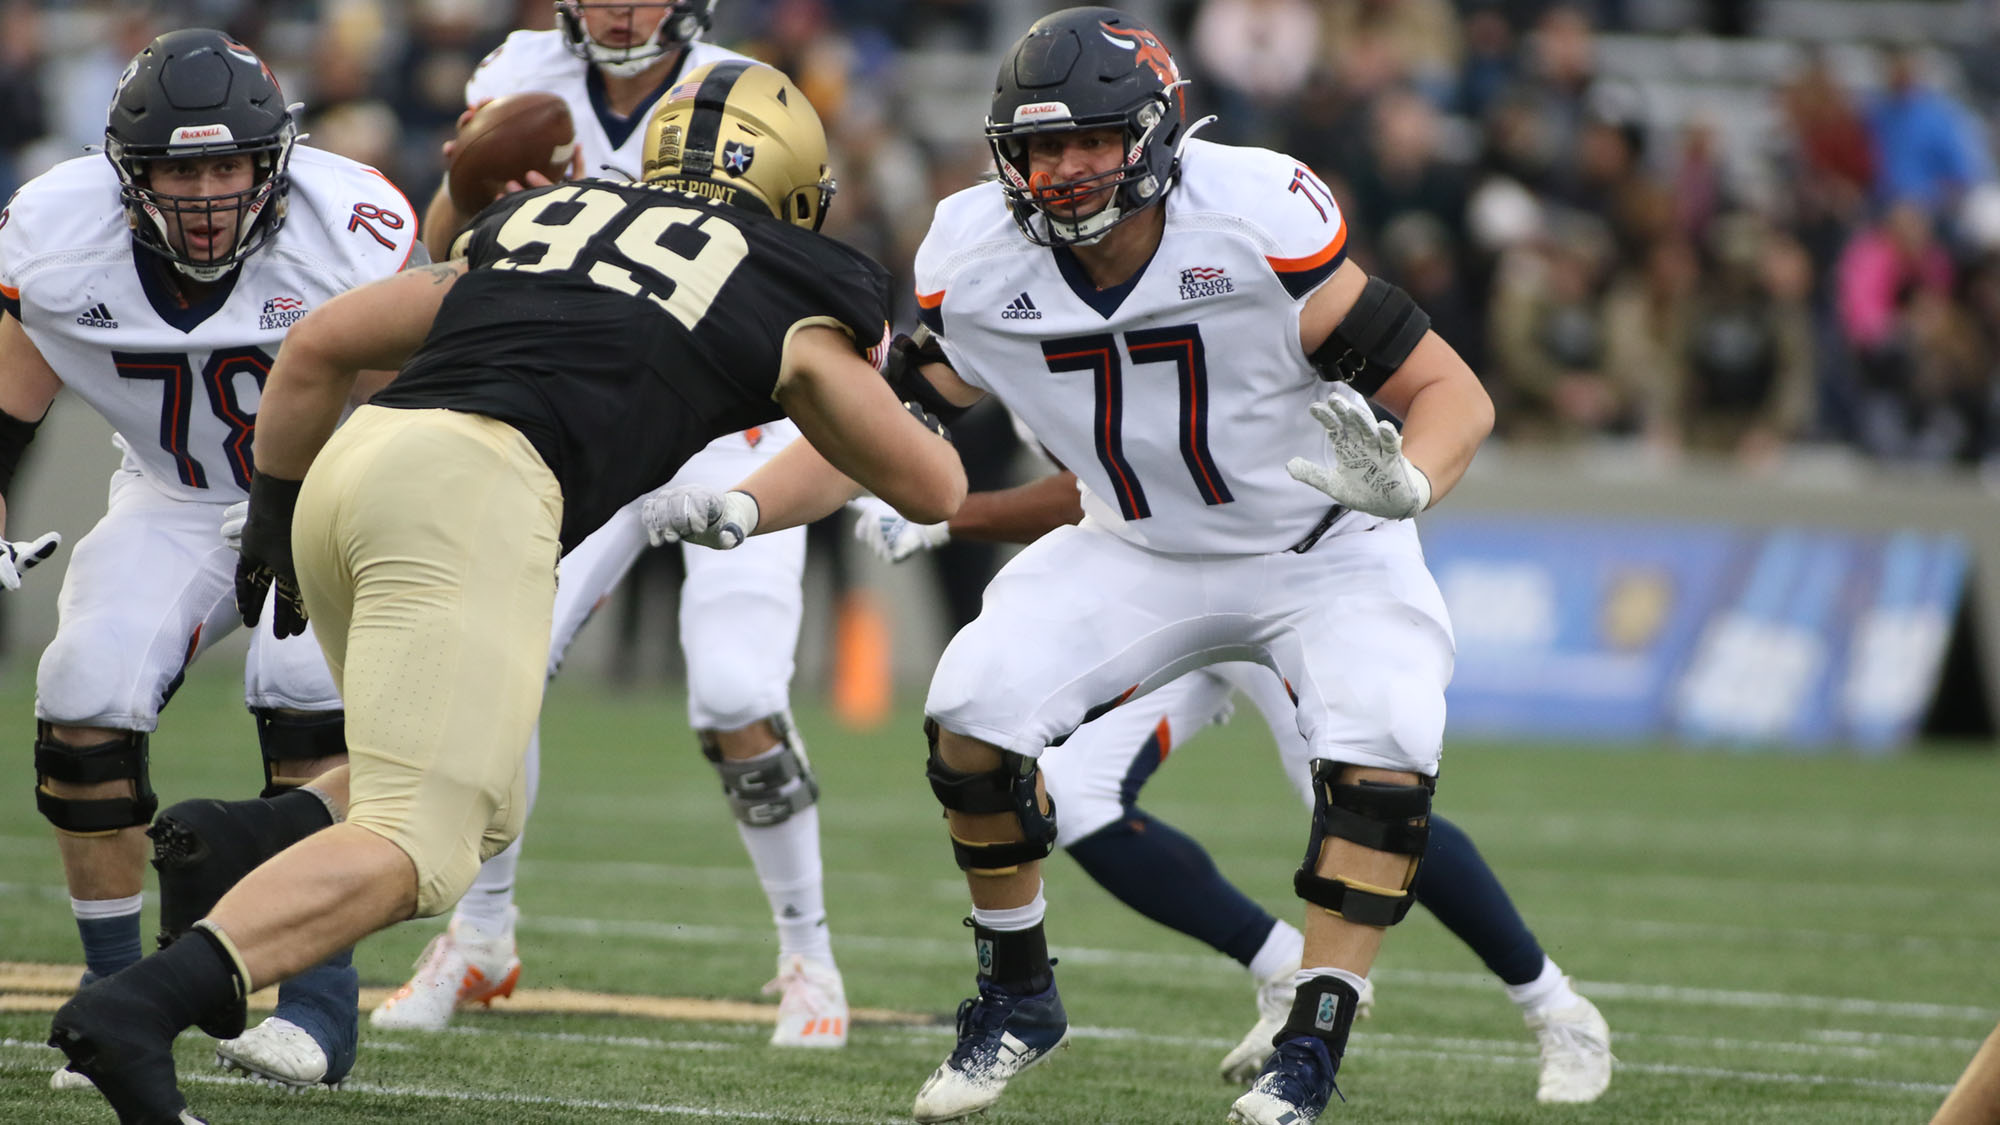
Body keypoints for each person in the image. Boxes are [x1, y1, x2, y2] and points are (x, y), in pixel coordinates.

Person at [44, 60, 964, 1125]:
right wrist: (903, 402)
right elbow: (927, 484)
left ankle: (249, 836)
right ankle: (134, 1012)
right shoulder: (793, 278)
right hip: (476, 499)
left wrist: (273, 519)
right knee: (420, 844)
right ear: (801, 192)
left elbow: (322, 344)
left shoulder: (555, 215)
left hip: (353, 468)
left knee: (483, 801)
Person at [651, 9, 1493, 1122]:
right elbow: (882, 425)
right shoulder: (975, 258)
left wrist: (1412, 483)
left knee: (1386, 742)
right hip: (1133, 545)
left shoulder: (1251, 219)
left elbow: (1452, 394)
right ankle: (1017, 999)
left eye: (1091, 141)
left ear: (1153, 133)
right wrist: (748, 502)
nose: (1065, 170)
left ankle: (1312, 1045)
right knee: (968, 709)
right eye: (1041, 148)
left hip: (1321, 547)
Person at [375, 0, 853, 1045]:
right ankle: (480, 932)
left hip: (727, 414)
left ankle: (807, 953)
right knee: (503, 666)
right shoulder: (519, 71)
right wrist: (469, 191)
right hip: (581, 407)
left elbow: (801, 245)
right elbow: (442, 248)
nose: (620, 11)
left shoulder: (740, 85)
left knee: (736, 689)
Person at [856, 477, 1614, 1105]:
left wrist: (955, 512)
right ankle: (1282, 964)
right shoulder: (1013, 316)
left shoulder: (1150, 302)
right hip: (1164, 584)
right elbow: (1107, 494)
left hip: (1281, 570)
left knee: (1368, 791)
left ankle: (1556, 1008)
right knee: (1076, 794)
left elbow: (1107, 480)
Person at [0, 28, 421, 1092]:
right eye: (178, 170)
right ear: (127, 175)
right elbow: (6, 408)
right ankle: (111, 1004)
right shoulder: (55, 235)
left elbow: (410, 393)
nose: (203, 194)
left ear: (271, 163)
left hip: (328, 490)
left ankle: (317, 1013)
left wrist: (335, 507)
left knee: (301, 691)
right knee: (82, 688)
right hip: (171, 494)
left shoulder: (348, 228)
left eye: (225, 165)